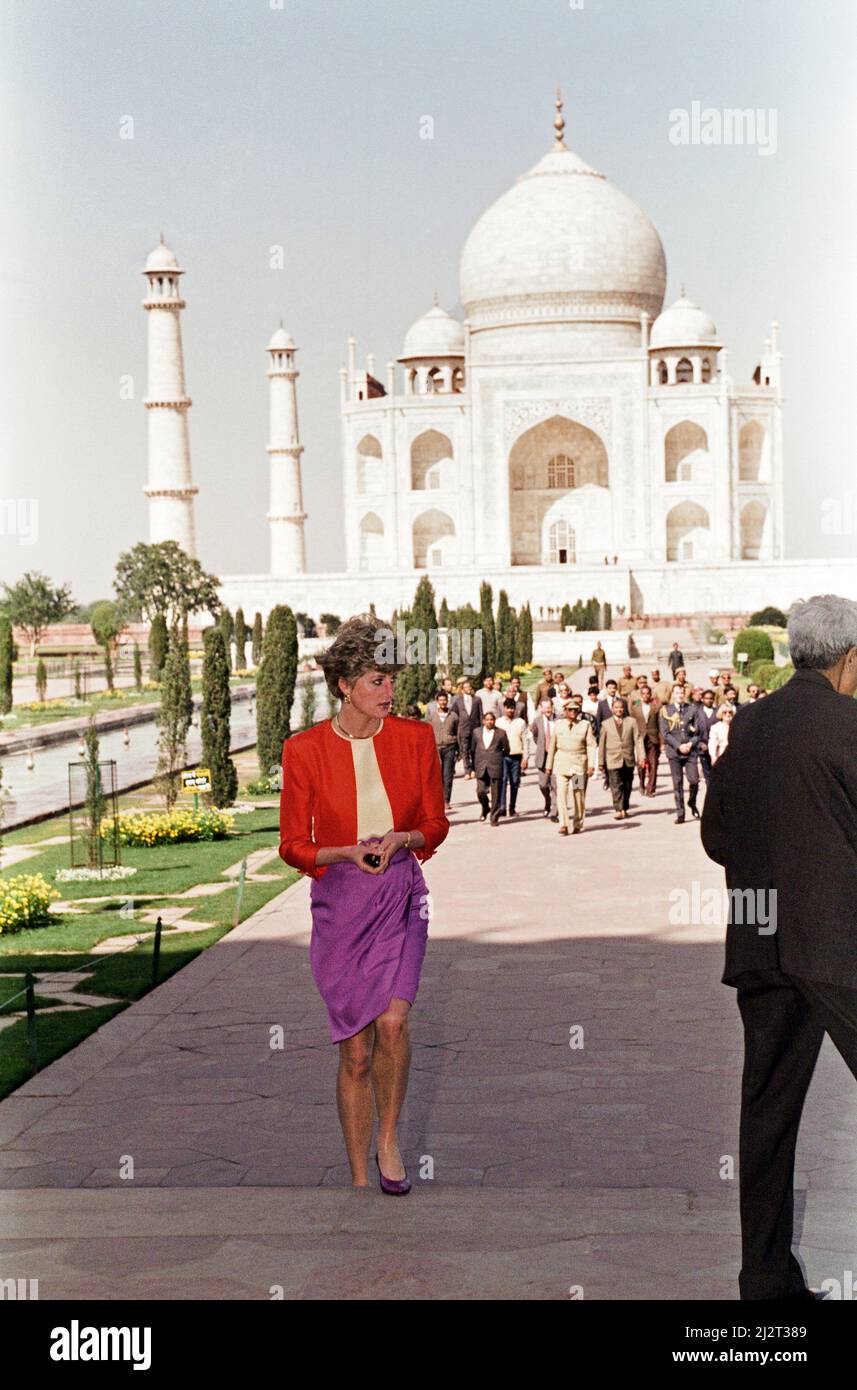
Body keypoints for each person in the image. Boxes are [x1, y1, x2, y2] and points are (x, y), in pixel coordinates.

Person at [701, 594, 857, 1302]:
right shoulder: (848, 725)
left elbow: (716, 838)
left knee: (766, 1115)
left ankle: (764, 1284)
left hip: (762, 944)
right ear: (848, 658)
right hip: (838, 948)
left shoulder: (749, 723)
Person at [279, 615, 448, 1194]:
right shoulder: (303, 751)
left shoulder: (416, 738)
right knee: (355, 1050)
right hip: (340, 904)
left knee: (394, 1023)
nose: (389, 691)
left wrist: (404, 840)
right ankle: (356, 1177)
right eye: (377, 680)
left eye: (392, 679)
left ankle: (389, 1138)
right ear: (345, 684)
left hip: (401, 894)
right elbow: (291, 845)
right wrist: (344, 853)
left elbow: (435, 824)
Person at [545, 701, 596, 835]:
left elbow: (591, 745)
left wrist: (591, 765)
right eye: (570, 709)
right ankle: (563, 824)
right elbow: (552, 747)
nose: (573, 712)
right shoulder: (558, 725)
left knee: (578, 794)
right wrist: (548, 766)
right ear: (565, 711)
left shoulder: (585, 726)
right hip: (561, 764)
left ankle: (578, 822)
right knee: (561, 794)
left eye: (575, 710)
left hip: (578, 765)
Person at [659, 682, 701, 823]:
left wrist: (690, 744)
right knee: (677, 783)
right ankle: (680, 813)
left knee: (694, 780)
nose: (680, 695)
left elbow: (698, 732)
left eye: (682, 692)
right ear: (672, 695)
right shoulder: (666, 710)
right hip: (675, 752)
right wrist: (678, 746)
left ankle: (692, 802)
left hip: (690, 751)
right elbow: (665, 733)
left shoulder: (692, 709)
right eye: (677, 693)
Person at [598, 695, 645, 820]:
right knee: (615, 784)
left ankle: (625, 807)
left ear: (624, 709)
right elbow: (601, 744)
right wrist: (601, 762)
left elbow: (638, 739)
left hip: (628, 758)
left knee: (628, 784)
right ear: (612, 709)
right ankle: (619, 809)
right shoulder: (606, 724)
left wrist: (641, 756)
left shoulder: (631, 721)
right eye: (616, 707)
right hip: (612, 759)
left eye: (621, 708)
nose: (619, 710)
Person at [470, 709, 509, 826]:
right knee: (480, 791)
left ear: (494, 721)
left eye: (491, 720)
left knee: (496, 793)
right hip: (480, 765)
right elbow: (472, 750)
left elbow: (506, 749)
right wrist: (473, 766)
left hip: (495, 765)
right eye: (487, 720)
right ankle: (486, 807)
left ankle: (494, 817)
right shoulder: (476, 732)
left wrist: (498, 757)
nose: (489, 722)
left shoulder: (501, 733)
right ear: (483, 721)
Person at [496, 697, 528, 817]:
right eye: (508, 708)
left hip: (516, 756)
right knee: (503, 781)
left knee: (515, 782)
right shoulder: (498, 722)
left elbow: (525, 740)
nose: (510, 710)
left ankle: (512, 807)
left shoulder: (520, 722)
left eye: (512, 708)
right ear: (504, 708)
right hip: (503, 756)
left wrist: (525, 757)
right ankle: (502, 807)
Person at [429, 690, 459, 810]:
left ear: (447, 701)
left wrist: (459, 750)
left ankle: (446, 800)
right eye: (440, 700)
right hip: (435, 748)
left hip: (449, 747)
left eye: (444, 700)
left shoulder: (453, 716)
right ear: (437, 702)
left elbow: (458, 732)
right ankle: (437, 800)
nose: (443, 702)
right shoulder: (432, 716)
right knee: (437, 775)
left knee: (447, 775)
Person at [530, 697, 558, 820]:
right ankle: (547, 800)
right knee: (543, 784)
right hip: (543, 756)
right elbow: (535, 736)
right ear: (541, 708)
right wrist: (542, 747)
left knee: (556, 786)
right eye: (545, 707)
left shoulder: (559, 720)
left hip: (556, 757)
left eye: (549, 707)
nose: (548, 710)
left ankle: (554, 811)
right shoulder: (537, 721)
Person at [631, 682, 661, 795]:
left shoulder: (656, 706)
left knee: (653, 764)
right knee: (641, 764)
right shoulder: (635, 706)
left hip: (653, 739)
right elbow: (632, 723)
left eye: (648, 694)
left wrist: (662, 742)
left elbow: (659, 724)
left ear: (650, 694)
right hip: (640, 739)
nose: (646, 696)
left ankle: (650, 789)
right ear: (640, 695)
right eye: (643, 694)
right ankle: (641, 783)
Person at [451, 678, 481, 779]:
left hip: (475, 728)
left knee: (474, 750)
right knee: (464, 750)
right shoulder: (458, 701)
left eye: (469, 687)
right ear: (462, 689)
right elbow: (454, 714)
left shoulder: (477, 699)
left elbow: (481, 714)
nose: (469, 689)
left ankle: (474, 769)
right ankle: (467, 771)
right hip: (463, 728)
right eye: (466, 687)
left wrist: (481, 728)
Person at [696, 688, 719, 784]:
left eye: (711, 698)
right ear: (702, 699)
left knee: (716, 772)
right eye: (706, 698)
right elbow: (694, 732)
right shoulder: (697, 712)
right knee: (707, 772)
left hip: (716, 748)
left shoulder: (718, 712)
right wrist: (700, 743)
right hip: (703, 747)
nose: (709, 700)